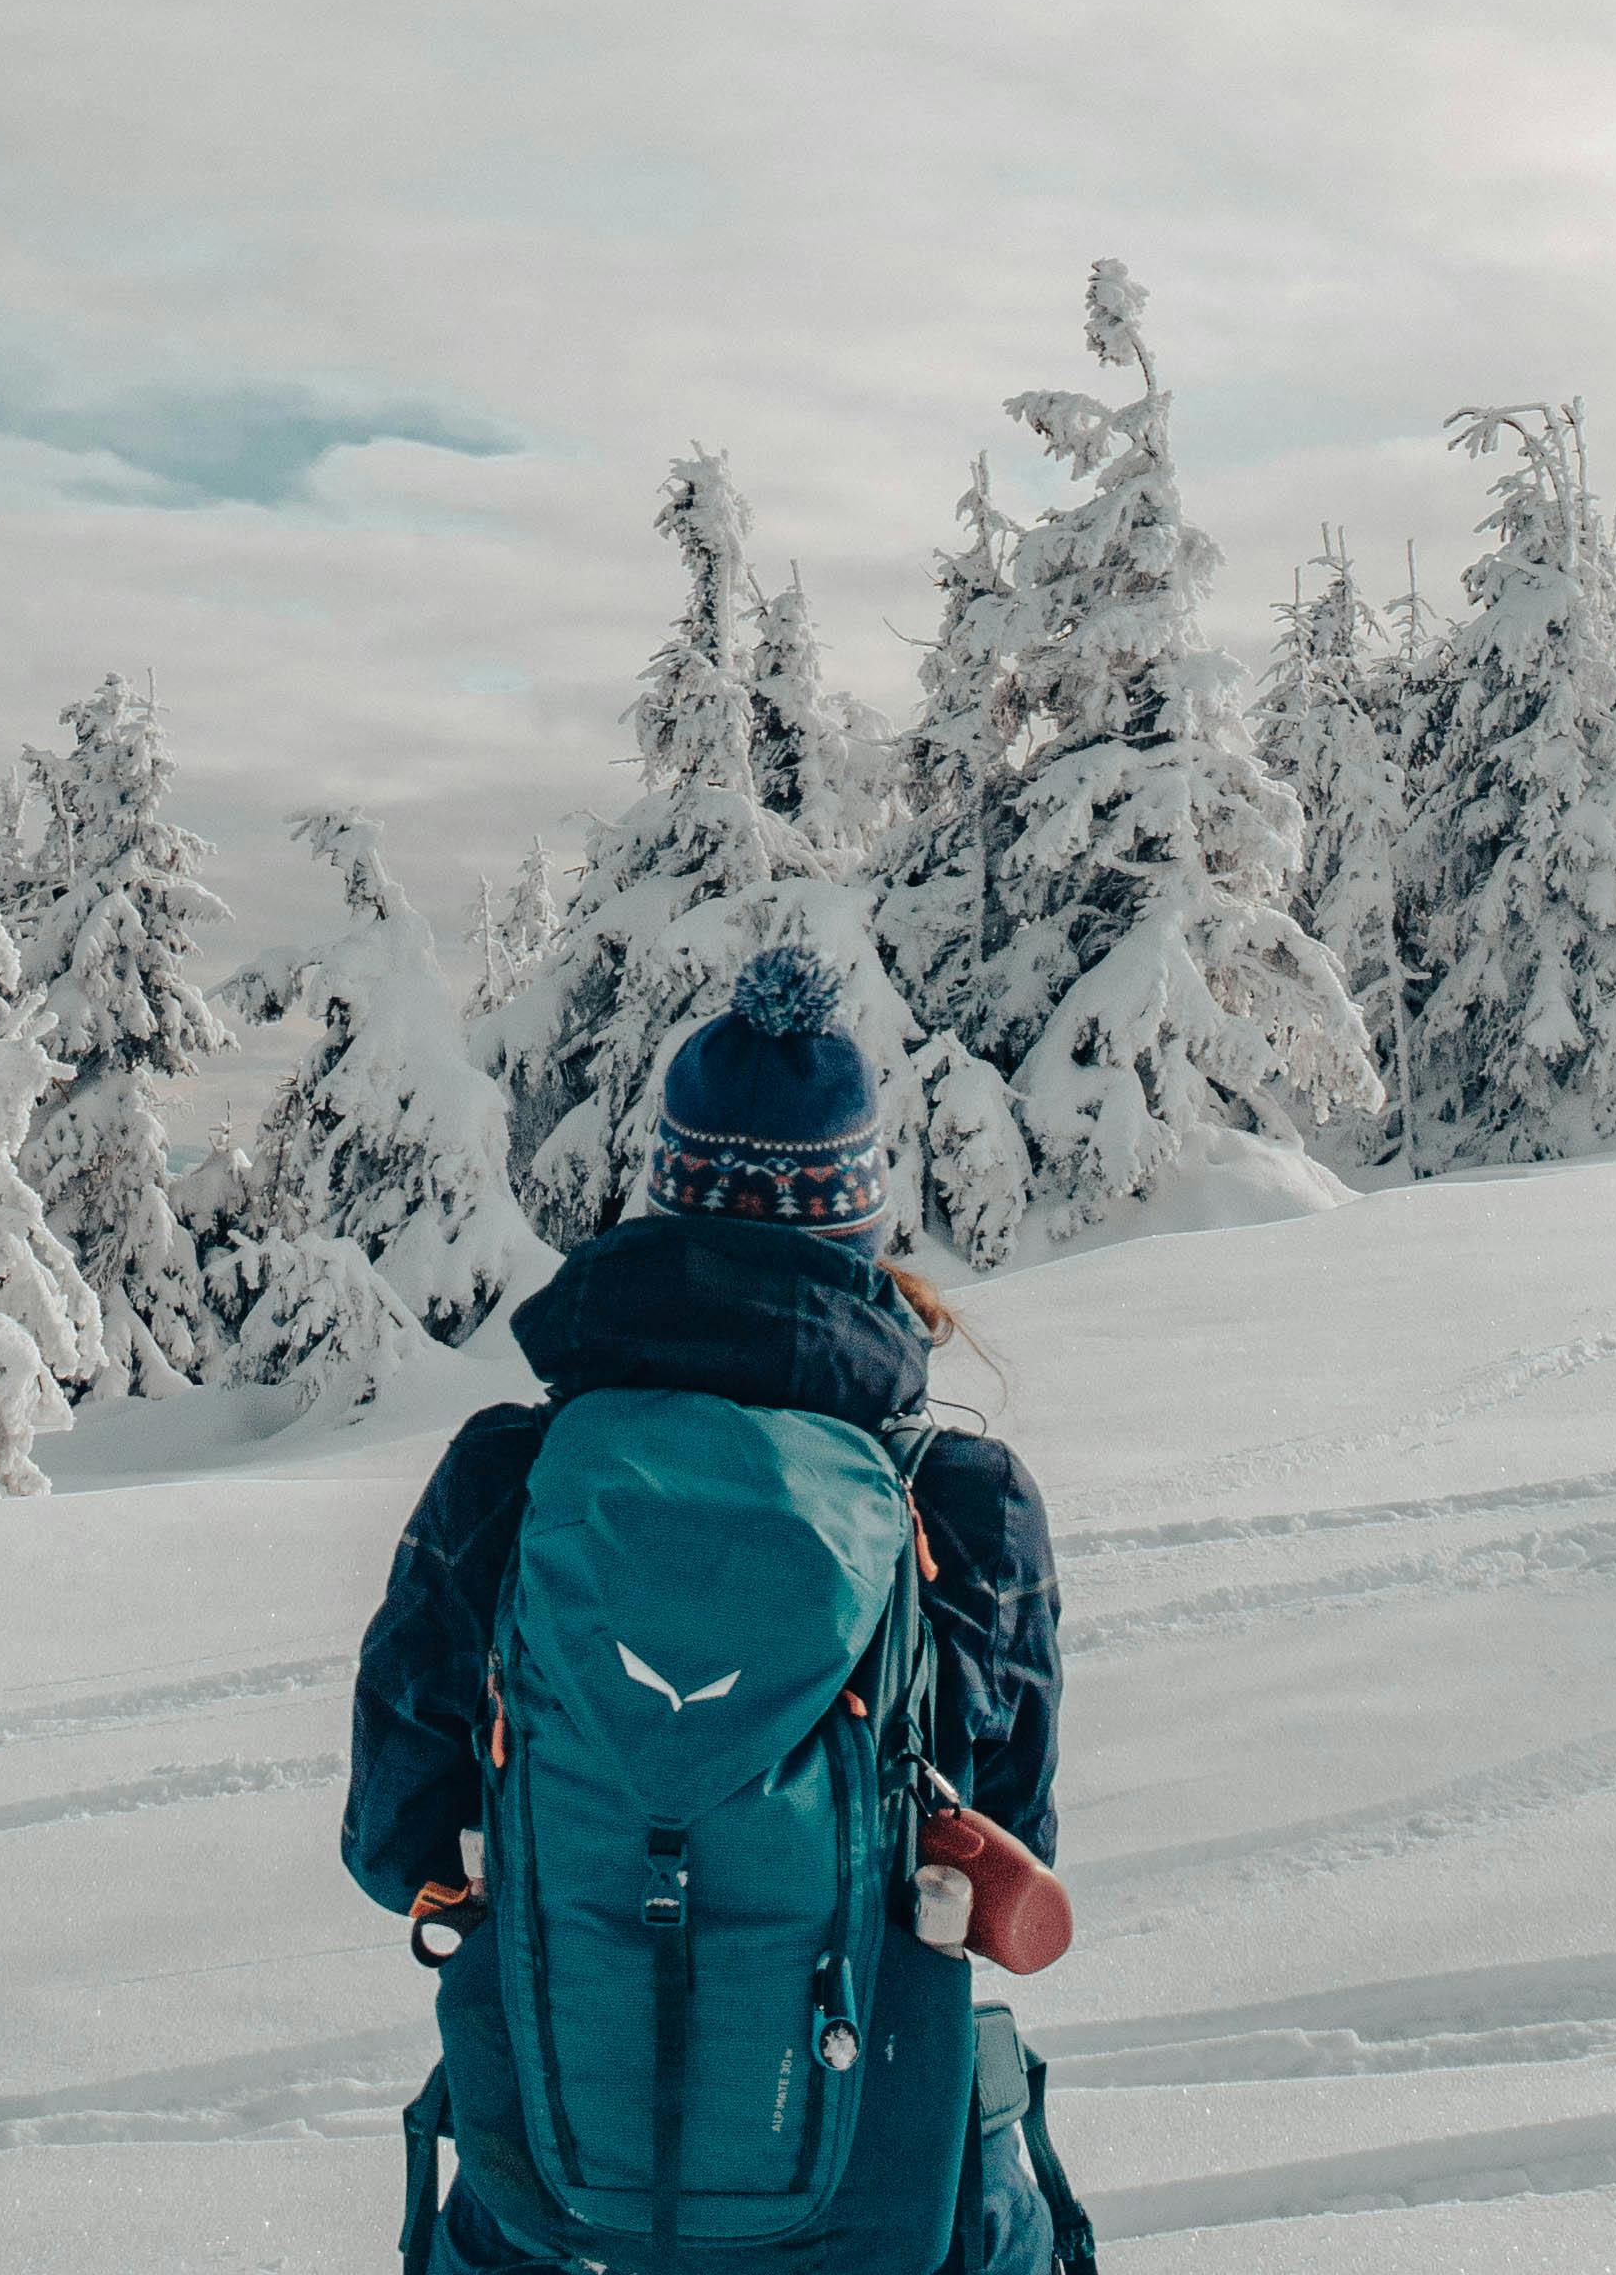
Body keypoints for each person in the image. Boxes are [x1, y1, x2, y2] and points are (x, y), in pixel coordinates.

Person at [344, 947, 1069, 2272]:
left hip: (554, 2198)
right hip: (882, 2188)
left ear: (665, 1191)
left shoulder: (507, 1479)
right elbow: (1011, 1838)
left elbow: (392, 1838)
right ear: (860, 1216)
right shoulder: (962, 1502)